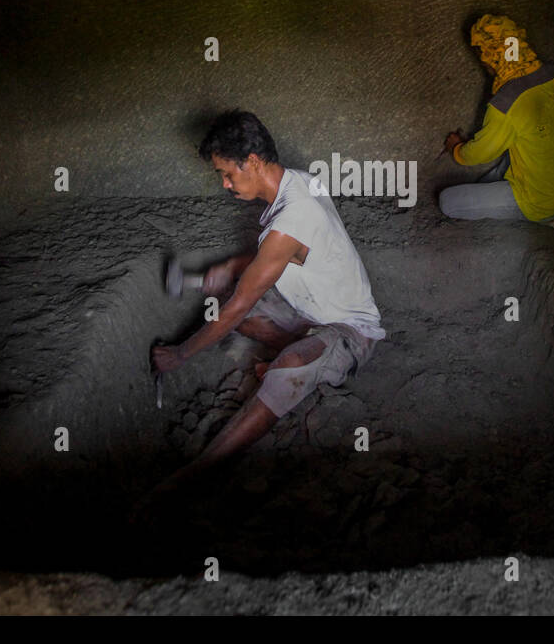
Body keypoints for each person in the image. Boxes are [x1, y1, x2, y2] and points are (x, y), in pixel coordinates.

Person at [147, 110, 385, 497]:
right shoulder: (299, 183)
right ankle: (295, 353)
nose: (225, 184)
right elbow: (286, 253)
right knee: (229, 297)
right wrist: (230, 267)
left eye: (228, 173)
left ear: (253, 162)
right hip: (308, 310)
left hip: (350, 331)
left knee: (283, 359)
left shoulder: (294, 215)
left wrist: (180, 354)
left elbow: (243, 302)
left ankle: (196, 474)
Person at [439, 14, 554, 221]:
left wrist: (456, 149)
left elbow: (476, 155)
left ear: (490, 54)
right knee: (519, 144)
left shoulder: (507, 101)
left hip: (542, 201)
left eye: (481, 53)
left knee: (448, 201)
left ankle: (523, 209)